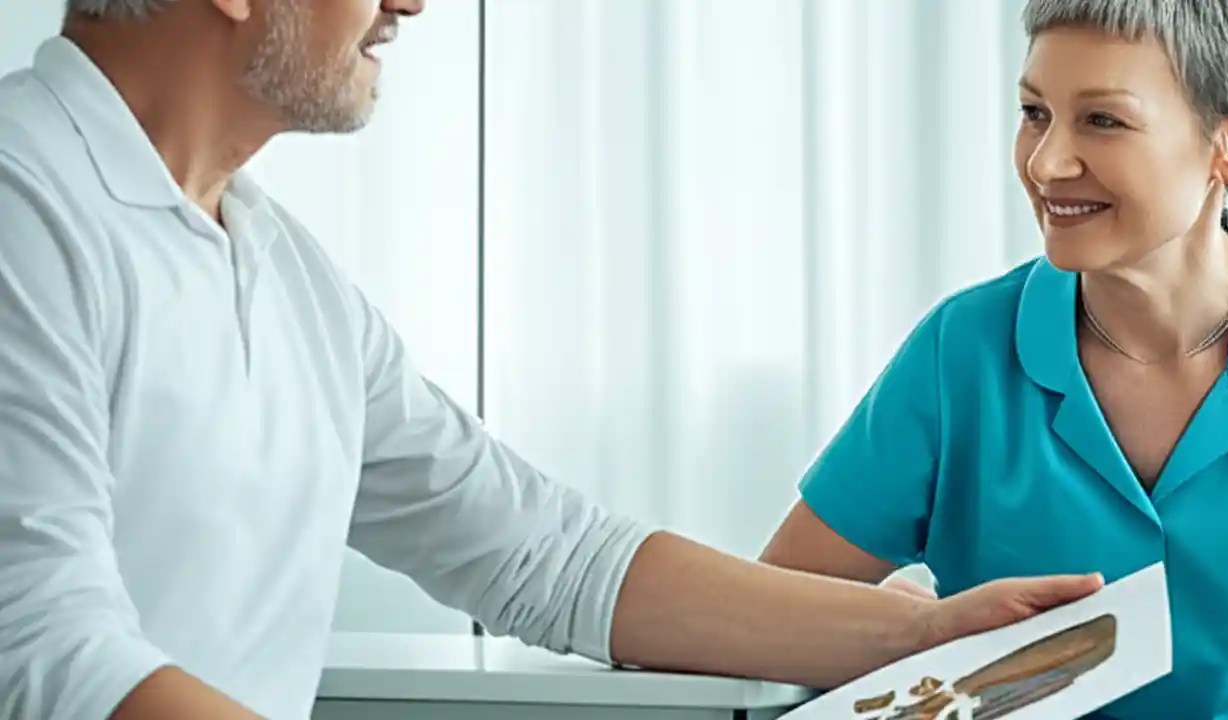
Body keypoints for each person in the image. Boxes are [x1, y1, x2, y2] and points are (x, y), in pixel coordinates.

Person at [0, 1, 1107, 718]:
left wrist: (918, 628)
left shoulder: (284, 273)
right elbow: (43, 647)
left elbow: (546, 556)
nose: (410, 4)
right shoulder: (22, 201)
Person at [761, 1, 1228, 718]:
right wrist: (901, 630)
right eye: (1035, 113)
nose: (1046, 163)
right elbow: (768, 612)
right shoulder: (963, 353)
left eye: (1103, 120)